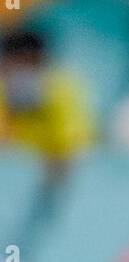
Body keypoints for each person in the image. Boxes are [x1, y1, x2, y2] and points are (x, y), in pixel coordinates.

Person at [0, 29, 94, 168]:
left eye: (30, 62)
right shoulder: (3, 91)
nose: (23, 70)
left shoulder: (63, 92)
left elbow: (74, 150)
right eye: (17, 63)